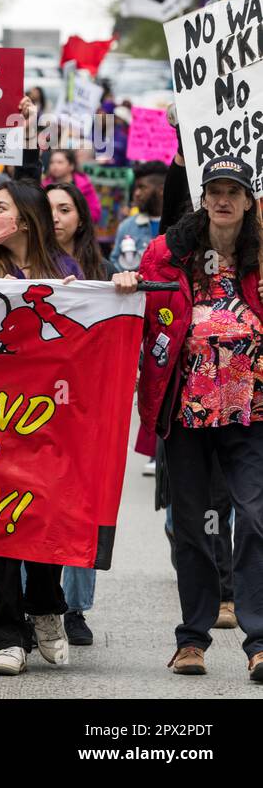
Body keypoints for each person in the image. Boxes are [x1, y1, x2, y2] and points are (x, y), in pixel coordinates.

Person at [134, 156, 263, 682]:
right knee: (192, 527)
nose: (224, 200)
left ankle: (259, 643)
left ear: (250, 200)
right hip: (185, 414)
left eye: (234, 190)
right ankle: (192, 640)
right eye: (215, 190)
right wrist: (127, 287)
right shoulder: (170, 252)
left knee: (255, 519)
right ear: (202, 197)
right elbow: (142, 306)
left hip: (251, 413)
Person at [0, 180, 83, 676]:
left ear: (24, 219)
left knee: (43, 519)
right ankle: (7, 635)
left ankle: (47, 608)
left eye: (0, 208)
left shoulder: (67, 271)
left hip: (47, 420)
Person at [45, 180, 117, 646]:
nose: (56, 217)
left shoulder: (103, 271)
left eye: (65, 209)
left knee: (82, 509)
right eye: (47, 209)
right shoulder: (21, 269)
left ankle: (74, 608)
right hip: (33, 409)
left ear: (81, 218)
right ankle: (39, 603)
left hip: (85, 408)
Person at [111, 161, 166, 271]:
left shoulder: (179, 225)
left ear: (161, 190)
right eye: (136, 188)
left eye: (142, 187)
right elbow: (114, 267)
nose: (136, 193)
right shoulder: (126, 227)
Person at [42, 148, 102, 224]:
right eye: (52, 162)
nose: (55, 166)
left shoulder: (84, 185)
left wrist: (78, 221)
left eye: (60, 162)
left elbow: (95, 212)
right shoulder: (44, 185)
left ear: (71, 166)